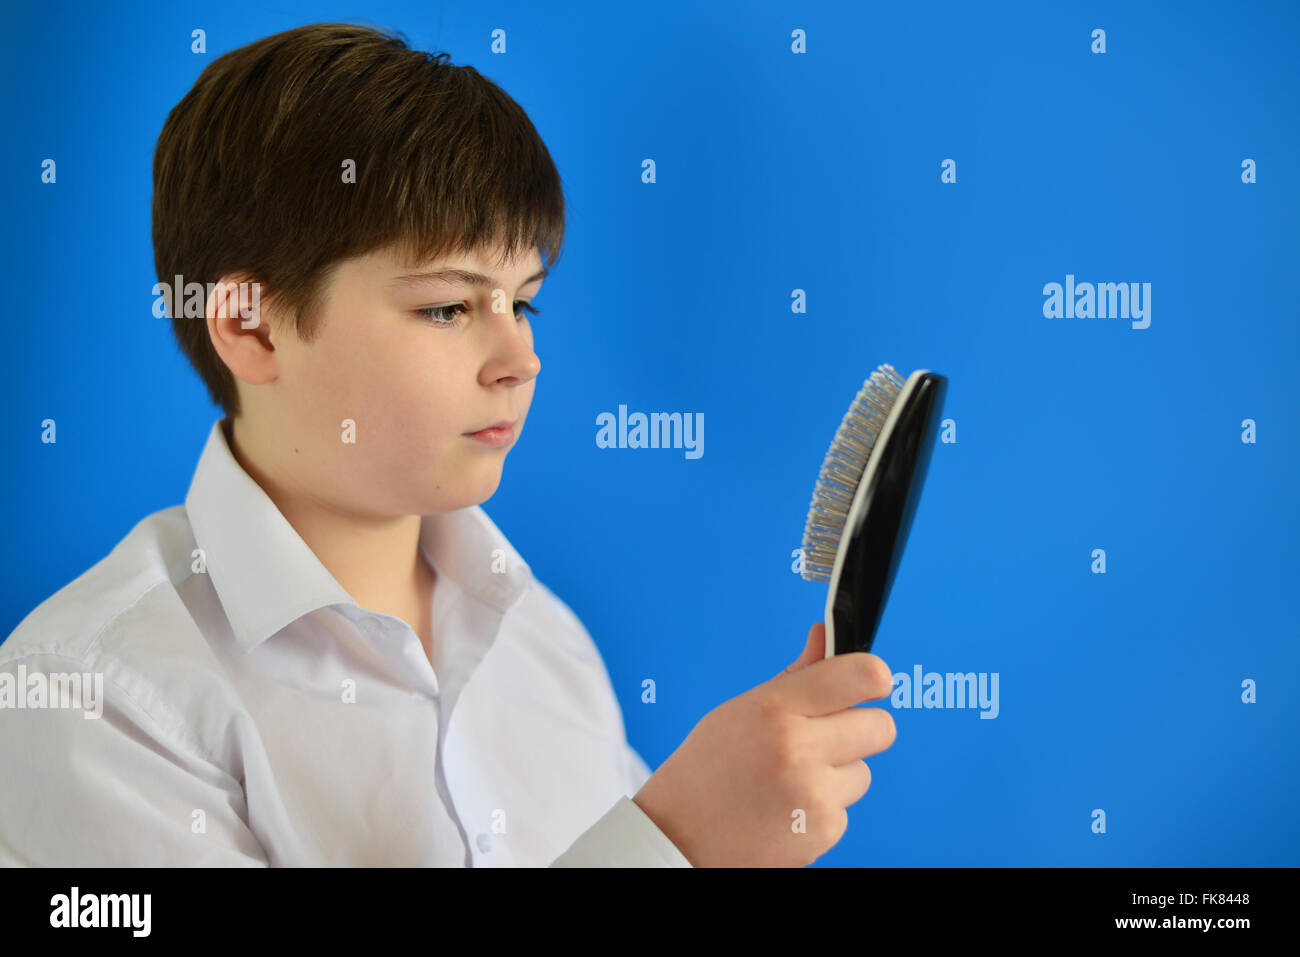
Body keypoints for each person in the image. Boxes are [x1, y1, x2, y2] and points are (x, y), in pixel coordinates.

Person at [0, 22, 896, 867]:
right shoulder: (91, 699)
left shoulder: (541, 639)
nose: (521, 359)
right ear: (252, 325)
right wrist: (672, 841)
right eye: (448, 306)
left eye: (524, 300)